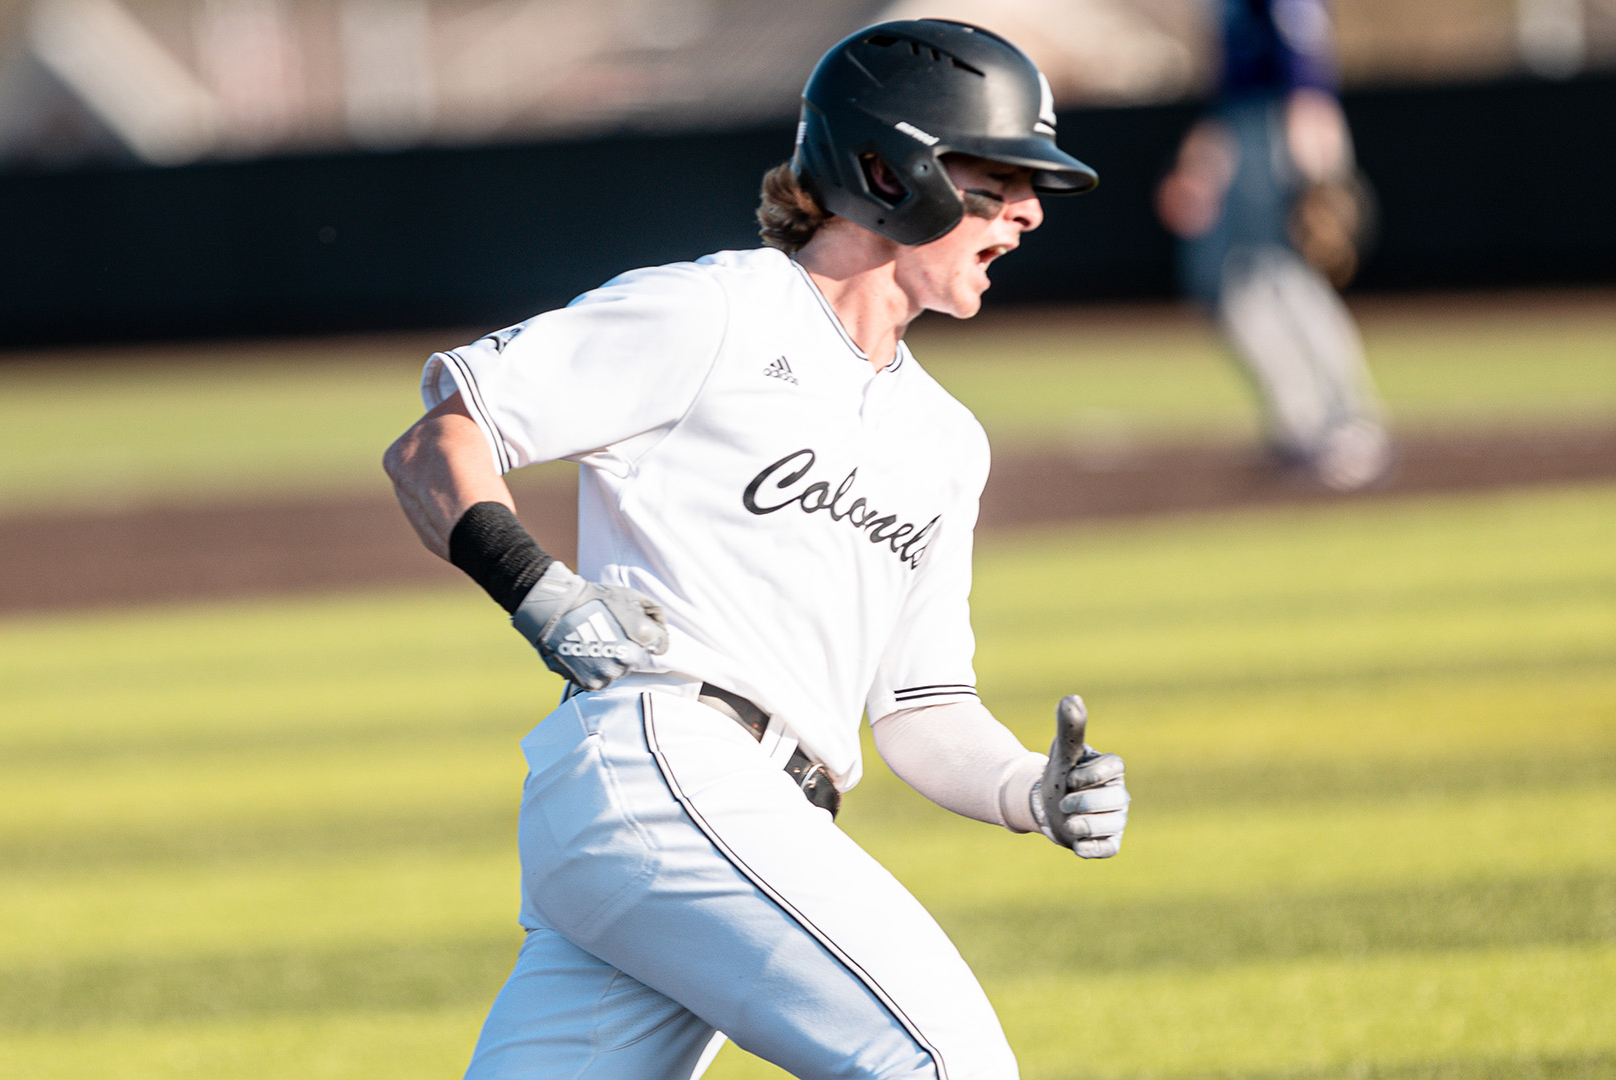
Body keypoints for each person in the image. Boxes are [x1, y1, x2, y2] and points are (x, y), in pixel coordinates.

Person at [382, 19, 1130, 1080]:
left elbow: (922, 709)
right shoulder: (717, 311)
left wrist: (1029, 790)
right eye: (998, 174)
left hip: (733, 815)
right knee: (946, 1066)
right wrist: (540, 592)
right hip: (664, 766)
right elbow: (437, 441)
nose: (1028, 210)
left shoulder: (946, 440)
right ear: (888, 167)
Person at [1155, 0, 1394, 491]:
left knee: (1287, 279)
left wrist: (1317, 167)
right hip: (1244, 127)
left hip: (1288, 128)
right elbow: (1229, 89)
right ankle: (1301, 425)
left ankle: (1349, 422)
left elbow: (1306, 67)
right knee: (1221, 284)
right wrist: (1203, 159)